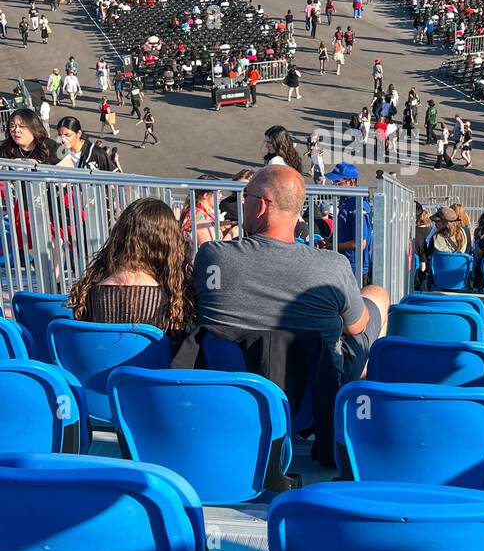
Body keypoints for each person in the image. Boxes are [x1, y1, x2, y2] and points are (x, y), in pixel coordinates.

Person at [192, 163, 389, 389]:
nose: (242, 201)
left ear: (262, 206)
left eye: (246, 195)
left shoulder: (212, 256)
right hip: (316, 394)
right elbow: (356, 328)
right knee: (378, 294)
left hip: (230, 387)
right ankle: (360, 394)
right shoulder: (333, 266)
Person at [68, 197, 194, 336]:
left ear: (121, 235)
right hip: (154, 358)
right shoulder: (171, 298)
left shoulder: (90, 292)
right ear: (167, 244)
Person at [324, 161, 373, 280]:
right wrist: (328, 241)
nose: (334, 185)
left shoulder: (359, 205)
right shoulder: (345, 200)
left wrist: (332, 246)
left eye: (338, 182)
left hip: (355, 268)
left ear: (351, 182)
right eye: (334, 182)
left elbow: (360, 243)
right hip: (345, 263)